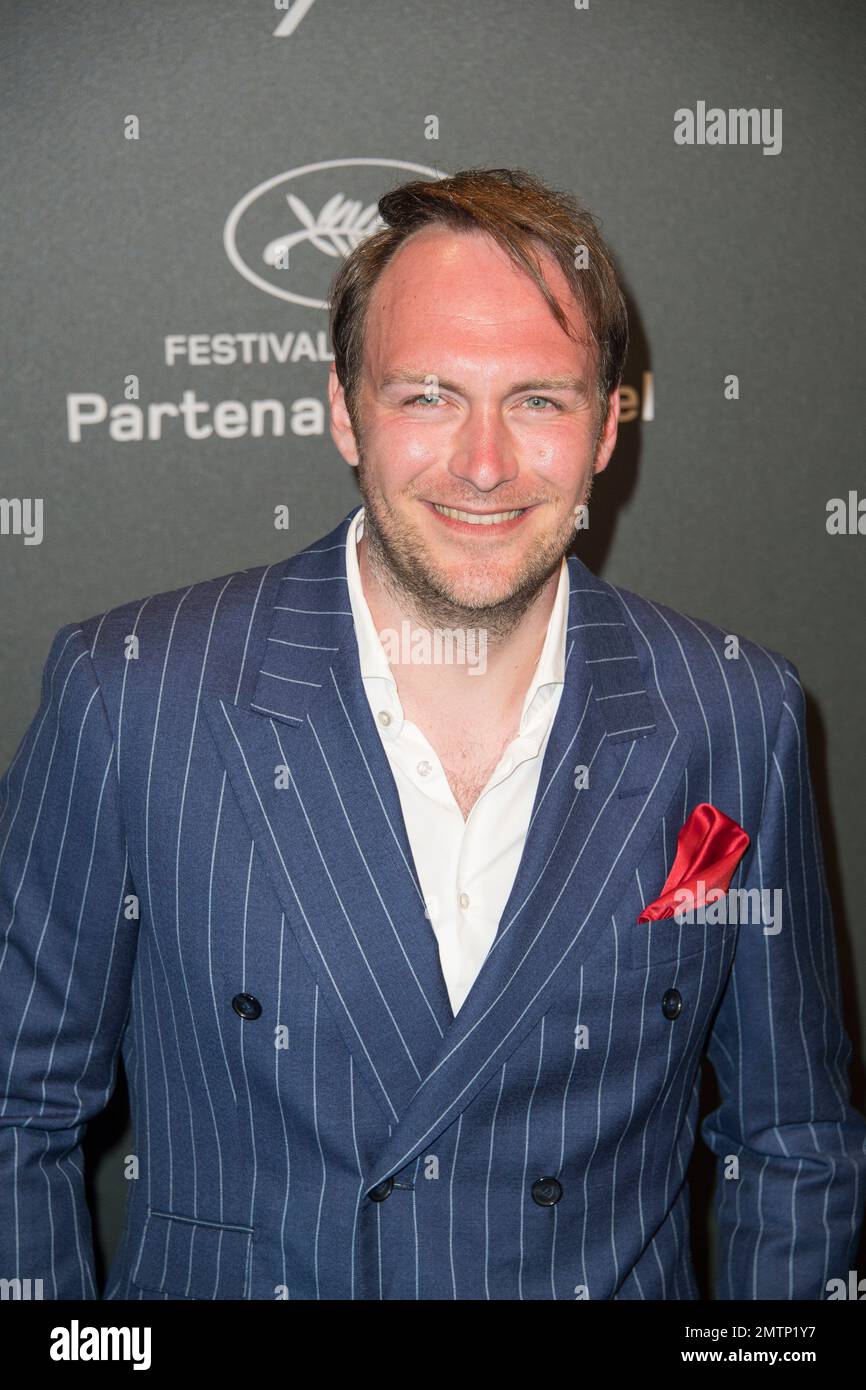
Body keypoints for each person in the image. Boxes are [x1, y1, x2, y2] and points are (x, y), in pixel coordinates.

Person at [1, 168, 864, 1301]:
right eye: (427, 395)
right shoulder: (133, 695)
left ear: (608, 427)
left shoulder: (732, 711)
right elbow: (15, 1109)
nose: (484, 462)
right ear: (342, 410)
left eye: (538, 400)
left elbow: (791, 1140)